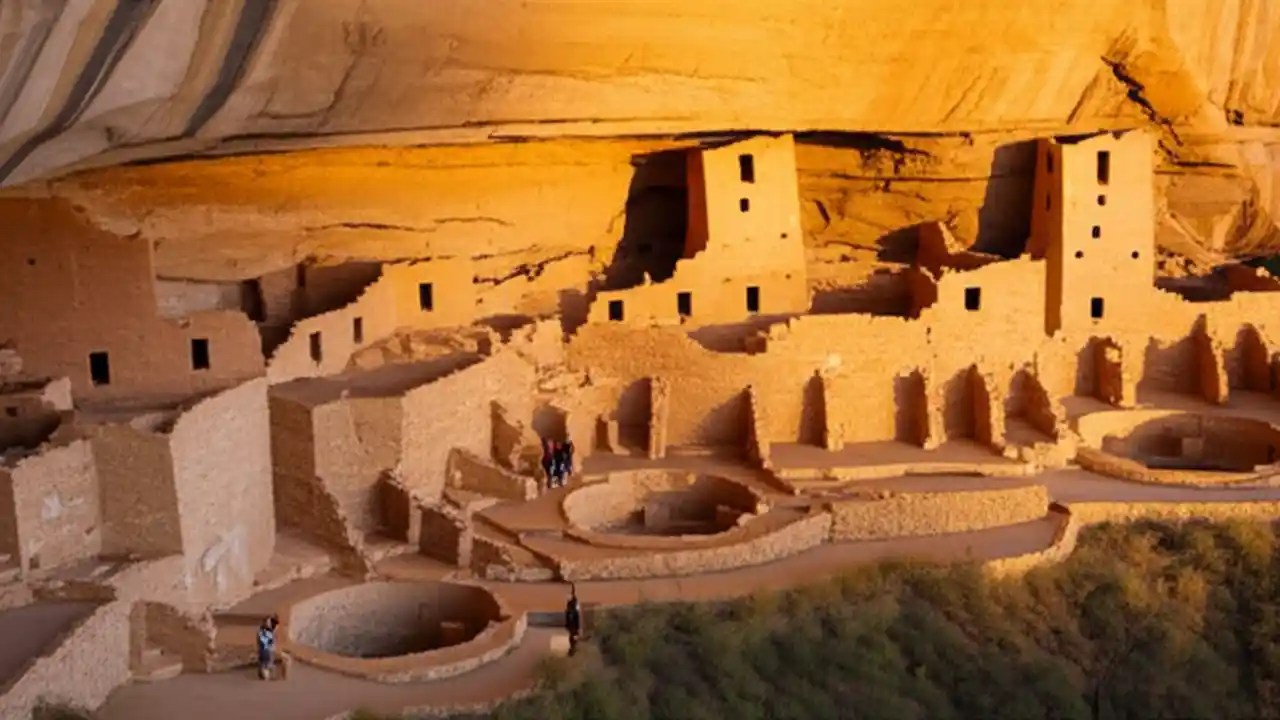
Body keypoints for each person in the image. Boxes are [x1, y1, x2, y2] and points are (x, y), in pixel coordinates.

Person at [256, 615, 279, 680]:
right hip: (267, 649)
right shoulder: (266, 631)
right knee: (267, 662)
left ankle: (265, 675)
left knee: (265, 662)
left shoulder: (263, 631)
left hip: (265, 649)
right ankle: (266, 675)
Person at [564, 585, 582, 655]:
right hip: (572, 618)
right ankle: (573, 586)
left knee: (572, 602)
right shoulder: (573, 642)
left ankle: (572, 586)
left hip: (572, 618)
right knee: (573, 601)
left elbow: (574, 632)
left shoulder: (573, 642)